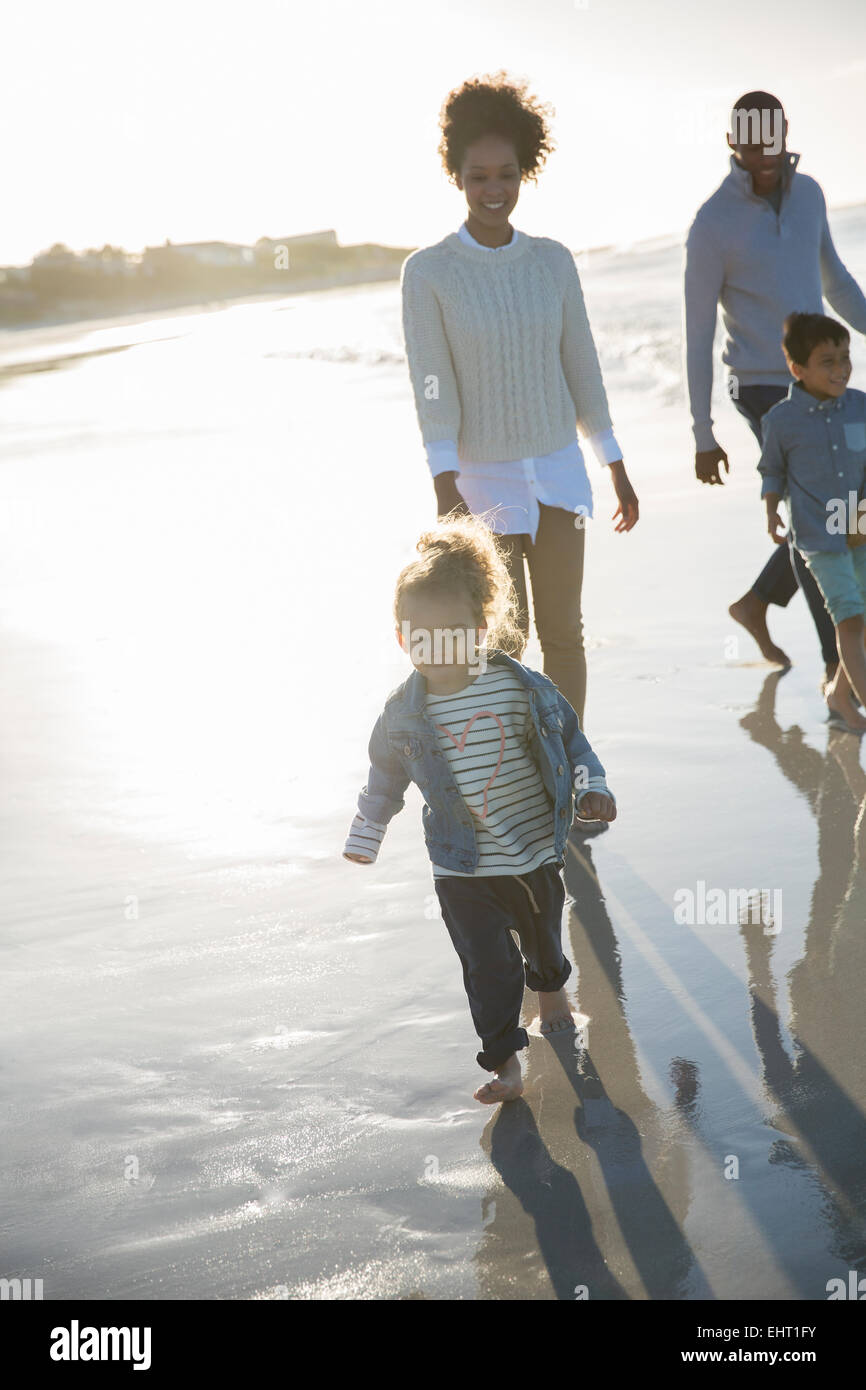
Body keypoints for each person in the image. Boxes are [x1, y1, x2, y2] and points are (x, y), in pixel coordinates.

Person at [342, 515, 617, 1105]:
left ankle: (551, 993)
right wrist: (368, 828)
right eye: (419, 635)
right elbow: (385, 774)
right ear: (400, 637)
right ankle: (505, 1062)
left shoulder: (521, 687)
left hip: (533, 847)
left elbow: (573, 743)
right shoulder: (403, 712)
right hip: (461, 865)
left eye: (449, 632)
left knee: (542, 938)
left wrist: (595, 786)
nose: (434, 648)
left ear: (480, 626)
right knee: (487, 966)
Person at [401, 71, 638, 741]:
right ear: (457, 175)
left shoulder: (553, 262)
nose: (493, 189)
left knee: (565, 633)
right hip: (481, 483)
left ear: (525, 170)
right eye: (478, 176)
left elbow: (581, 367)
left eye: (505, 173)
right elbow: (432, 385)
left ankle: (567, 770)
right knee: (504, 640)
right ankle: (511, 777)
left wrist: (613, 462)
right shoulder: (428, 273)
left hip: (561, 474)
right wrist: (445, 486)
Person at [684, 90, 866, 698]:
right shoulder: (712, 224)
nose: (763, 153)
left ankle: (758, 603)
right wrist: (702, 433)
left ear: (785, 132)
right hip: (764, 386)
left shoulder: (810, 193)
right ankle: (835, 668)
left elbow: (833, 278)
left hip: (820, 377)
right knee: (820, 517)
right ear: (732, 142)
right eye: (750, 141)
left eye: (772, 138)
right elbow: (699, 332)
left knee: (845, 510)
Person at [759, 313, 866, 733]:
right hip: (819, 538)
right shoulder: (781, 421)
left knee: (863, 619)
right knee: (849, 617)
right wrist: (770, 510)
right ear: (797, 369)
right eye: (827, 361)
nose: (840, 368)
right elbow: (772, 471)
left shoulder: (860, 406)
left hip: (860, 529)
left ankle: (840, 694)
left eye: (845, 357)